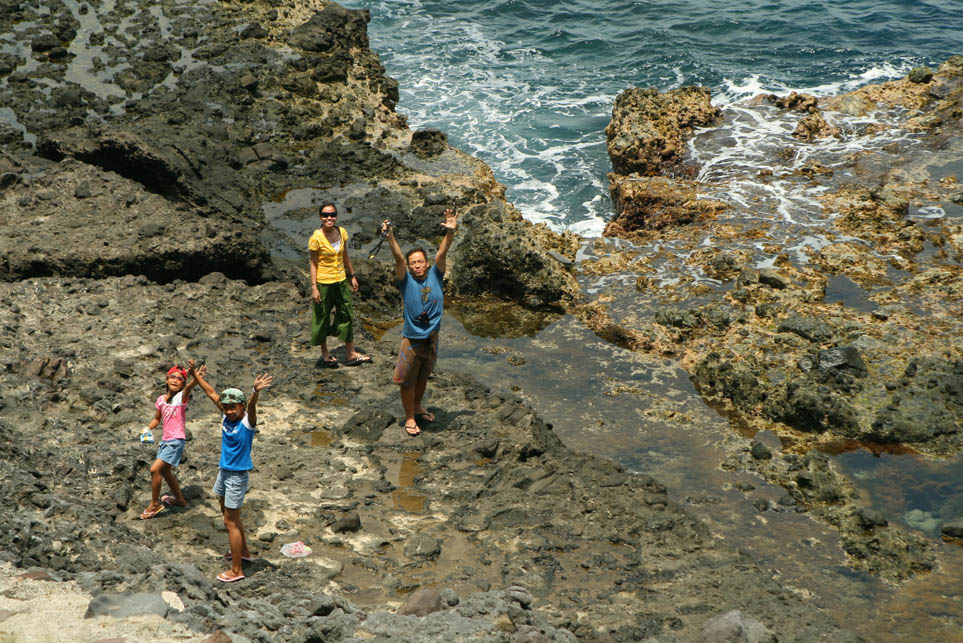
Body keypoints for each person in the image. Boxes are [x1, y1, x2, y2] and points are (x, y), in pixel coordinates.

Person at [191, 363, 273, 583]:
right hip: (223, 472)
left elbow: (253, 408)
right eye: (225, 408)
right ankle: (243, 552)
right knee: (228, 514)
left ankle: (237, 570)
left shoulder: (247, 421)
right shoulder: (226, 417)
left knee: (231, 523)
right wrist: (195, 377)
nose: (228, 411)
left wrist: (255, 392)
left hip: (237, 476)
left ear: (242, 407)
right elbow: (211, 393)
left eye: (233, 408)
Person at [384, 208, 457, 436]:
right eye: (412, 262)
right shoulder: (405, 281)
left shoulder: (436, 275)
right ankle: (408, 418)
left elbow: (442, 254)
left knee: (424, 376)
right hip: (412, 340)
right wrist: (391, 237)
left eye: (420, 262)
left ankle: (417, 407)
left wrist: (451, 232)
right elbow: (397, 258)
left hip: (431, 338)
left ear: (426, 264)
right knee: (407, 381)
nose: (416, 265)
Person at [309, 201, 370, 367]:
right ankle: (325, 353)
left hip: (341, 281)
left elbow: (346, 256)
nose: (329, 218)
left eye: (333, 215)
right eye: (326, 215)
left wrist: (352, 276)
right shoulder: (316, 238)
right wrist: (314, 287)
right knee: (322, 317)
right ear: (320, 217)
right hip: (323, 283)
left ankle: (351, 353)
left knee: (347, 313)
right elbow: (313, 264)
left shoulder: (342, 232)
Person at [139, 361, 203, 520]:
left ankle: (154, 504)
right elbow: (157, 418)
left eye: (180, 379)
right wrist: (147, 428)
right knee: (166, 472)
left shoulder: (181, 399)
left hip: (176, 440)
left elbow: (189, 389)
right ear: (167, 380)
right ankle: (180, 499)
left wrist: (195, 378)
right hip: (165, 441)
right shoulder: (161, 400)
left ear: (183, 384)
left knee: (155, 470)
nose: (175, 380)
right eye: (172, 377)